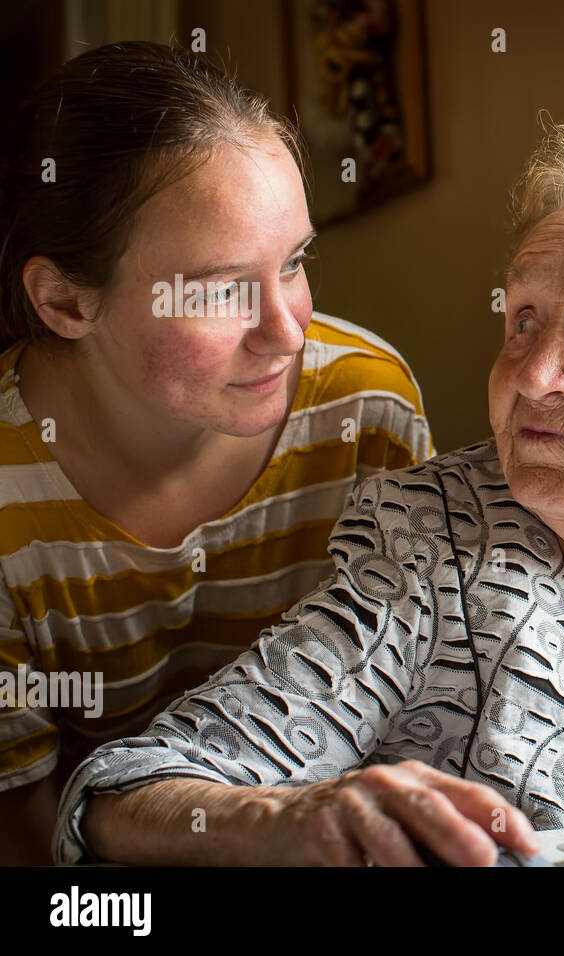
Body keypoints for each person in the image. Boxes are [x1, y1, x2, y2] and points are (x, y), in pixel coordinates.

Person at [53, 108, 564, 867]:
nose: (535, 375)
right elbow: (124, 789)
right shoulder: (430, 552)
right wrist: (290, 815)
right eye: (523, 320)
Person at [0, 41, 433, 864]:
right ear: (63, 301)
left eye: (296, 263)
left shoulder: (365, 410)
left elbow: (410, 719)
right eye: (220, 290)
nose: (287, 331)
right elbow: (21, 834)